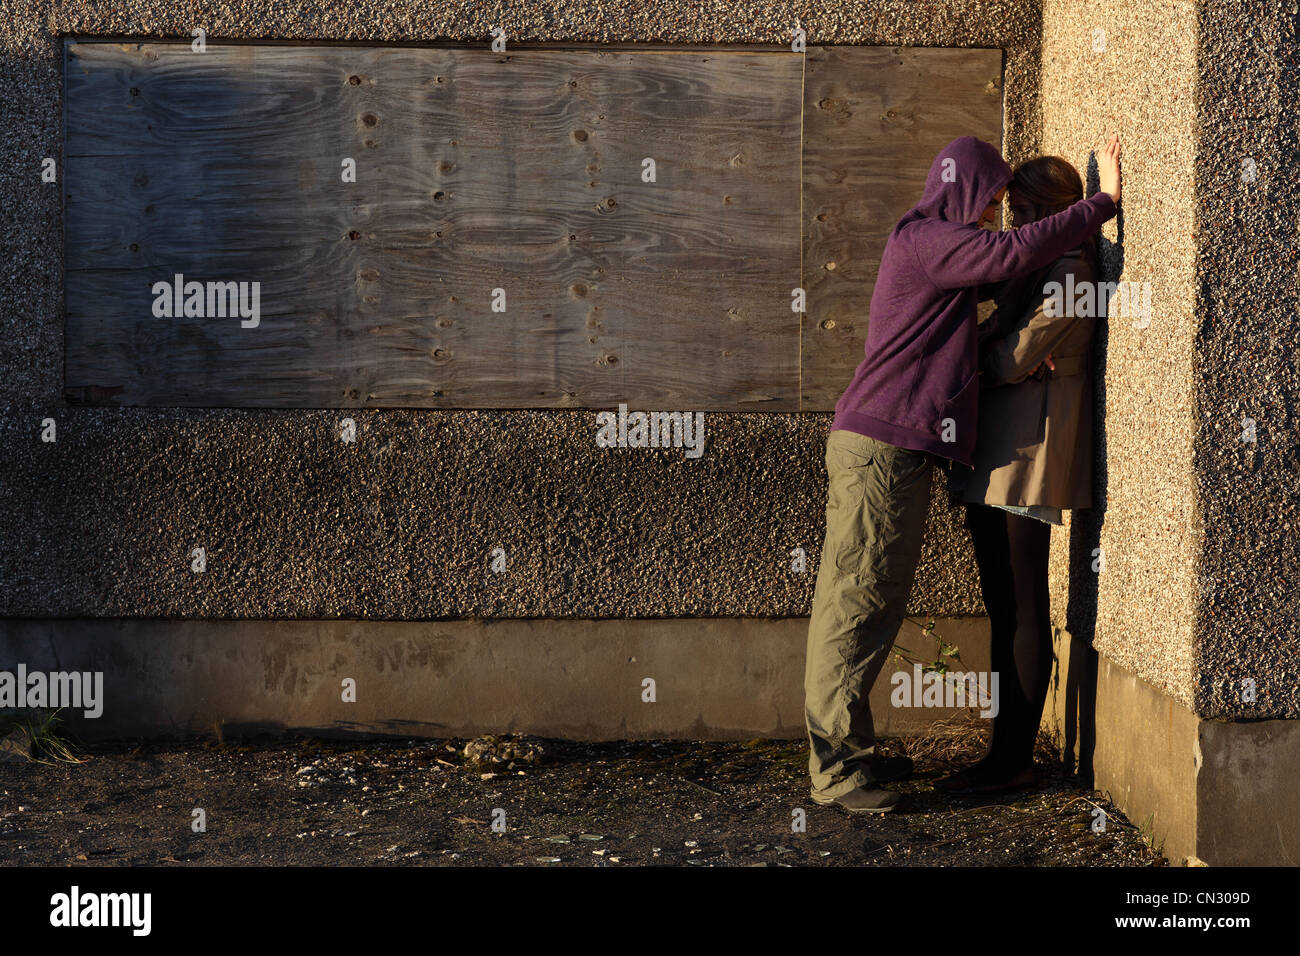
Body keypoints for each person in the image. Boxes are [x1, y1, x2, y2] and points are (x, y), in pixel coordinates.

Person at [804, 135, 1122, 814]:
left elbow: (1018, 285)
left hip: (902, 448)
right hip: (882, 445)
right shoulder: (930, 241)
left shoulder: (948, 245)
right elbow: (1010, 270)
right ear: (966, 190)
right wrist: (1101, 205)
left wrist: (1010, 346)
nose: (998, 220)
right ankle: (836, 770)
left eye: (1011, 208)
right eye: (994, 204)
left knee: (874, 599)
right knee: (857, 600)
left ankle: (852, 750)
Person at [937, 155, 1103, 794]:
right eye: (1017, 214)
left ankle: (1014, 760)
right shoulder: (1036, 268)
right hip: (1001, 452)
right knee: (1001, 606)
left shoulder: (1071, 271)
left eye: (1034, 213)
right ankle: (1001, 754)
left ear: (1062, 211)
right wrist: (995, 353)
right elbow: (999, 352)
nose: (1021, 226)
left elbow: (1010, 359)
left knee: (1024, 603)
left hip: (1029, 452)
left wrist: (994, 356)